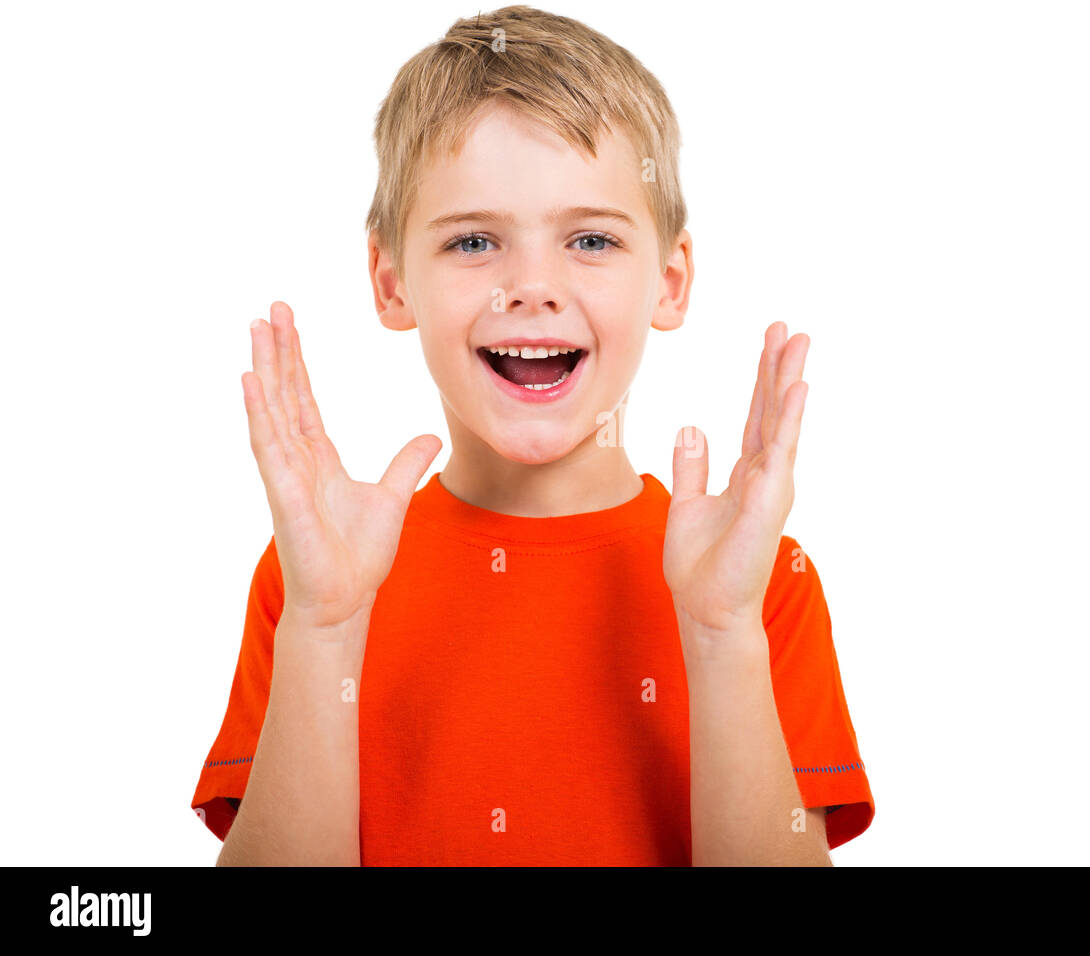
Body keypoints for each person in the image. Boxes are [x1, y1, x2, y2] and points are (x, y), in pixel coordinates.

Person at [191, 3, 874, 865]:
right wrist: (325, 631)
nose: (533, 285)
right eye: (474, 241)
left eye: (590, 239)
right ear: (391, 281)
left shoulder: (760, 580)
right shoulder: (311, 574)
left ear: (669, 282)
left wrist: (721, 636)